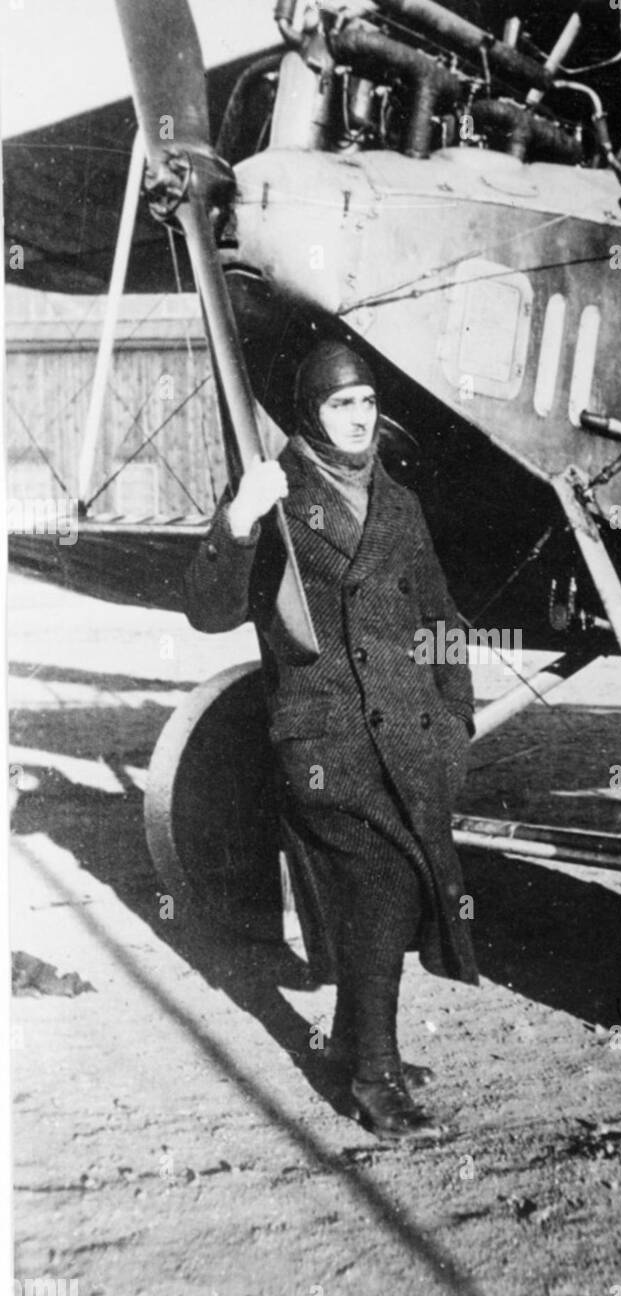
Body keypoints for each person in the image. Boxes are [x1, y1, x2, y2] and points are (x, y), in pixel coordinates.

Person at [183, 339, 478, 1139]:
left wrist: (456, 713)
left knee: (402, 889)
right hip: (325, 738)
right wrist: (238, 518)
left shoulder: (401, 505)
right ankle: (375, 1079)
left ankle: (352, 1040)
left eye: (366, 404)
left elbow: (440, 617)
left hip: (412, 736)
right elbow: (209, 610)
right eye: (338, 405)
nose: (357, 419)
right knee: (380, 890)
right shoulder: (274, 497)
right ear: (311, 416)